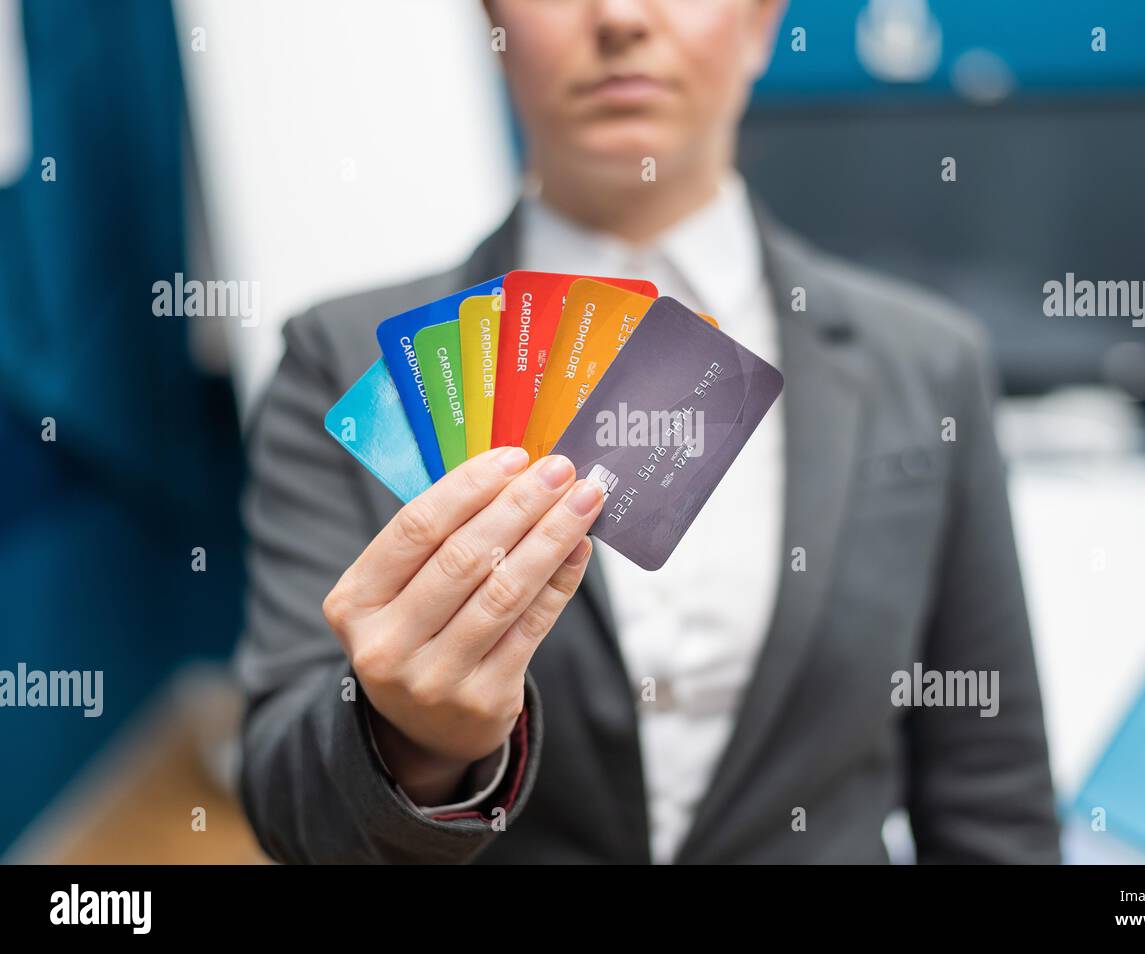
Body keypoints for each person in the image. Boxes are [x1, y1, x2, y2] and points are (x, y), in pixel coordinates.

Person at [235, 0, 1060, 864]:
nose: (621, 15)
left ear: (762, 21)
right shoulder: (348, 364)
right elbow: (287, 809)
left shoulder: (931, 365)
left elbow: (993, 800)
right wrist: (409, 743)